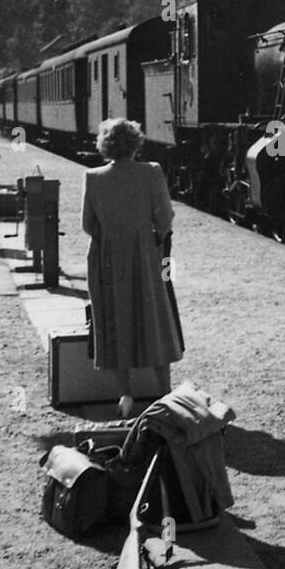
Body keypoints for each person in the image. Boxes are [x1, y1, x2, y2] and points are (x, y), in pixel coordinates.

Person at [81, 118, 183, 417]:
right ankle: (164, 392)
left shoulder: (93, 176)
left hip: (108, 257)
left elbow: (88, 225)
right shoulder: (151, 172)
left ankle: (125, 394)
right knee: (154, 319)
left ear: (105, 145)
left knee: (115, 320)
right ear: (136, 142)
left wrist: (111, 237)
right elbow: (165, 217)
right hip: (146, 256)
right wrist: (153, 238)